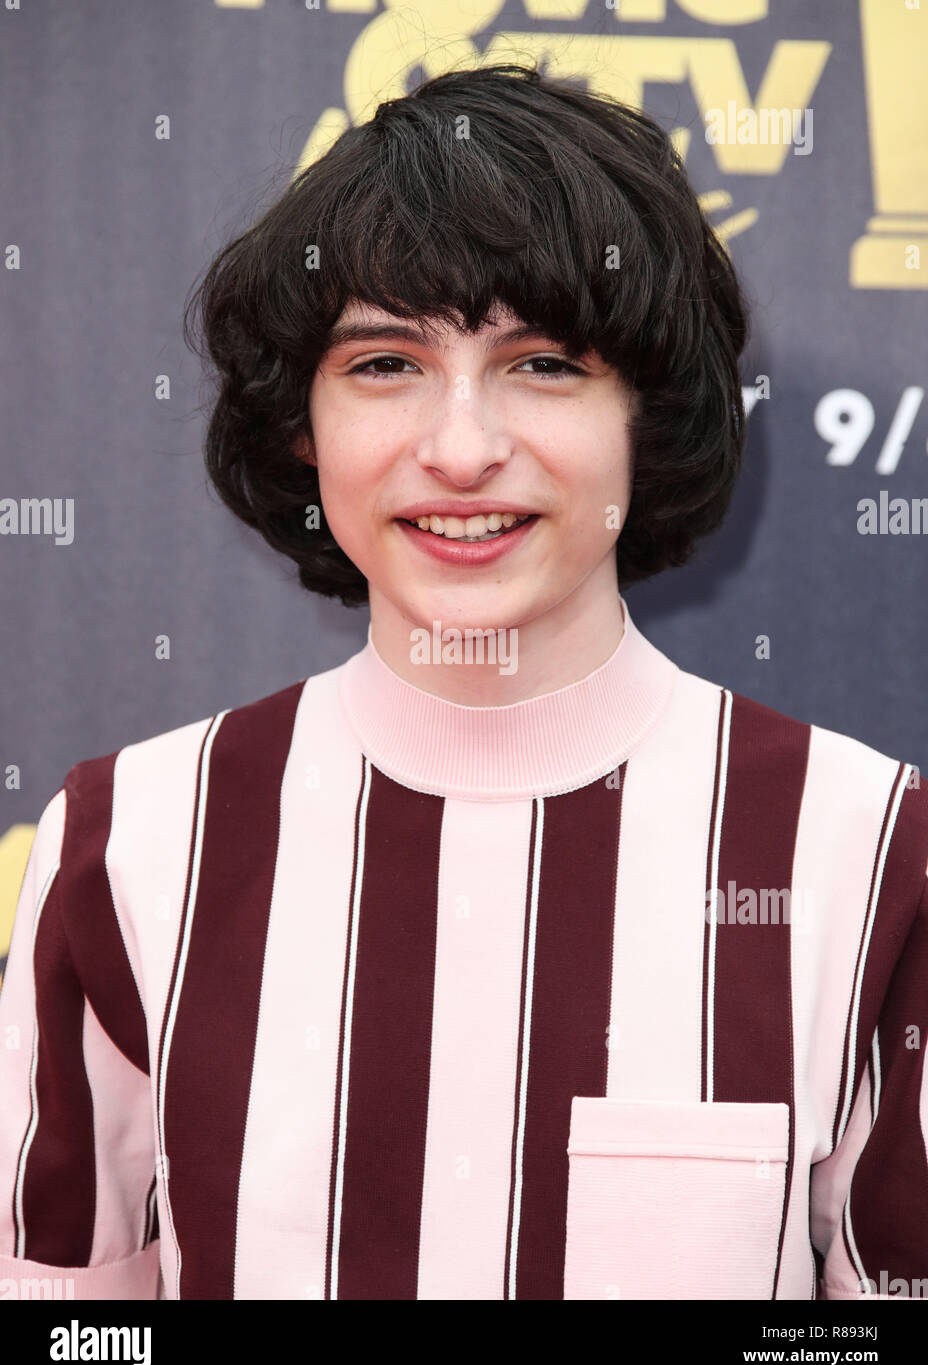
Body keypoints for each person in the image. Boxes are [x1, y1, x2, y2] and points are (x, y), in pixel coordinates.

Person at [1, 62, 926, 1302]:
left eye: (544, 363)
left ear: (648, 418)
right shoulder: (126, 844)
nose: (460, 449)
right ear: (300, 427)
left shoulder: (864, 849)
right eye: (384, 364)